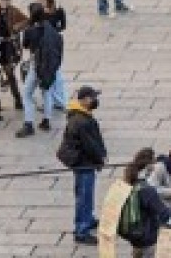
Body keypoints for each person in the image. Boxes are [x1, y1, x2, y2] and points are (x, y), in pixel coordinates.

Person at [59, 85, 106, 245]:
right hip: (84, 163)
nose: (95, 100)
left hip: (83, 161)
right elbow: (90, 145)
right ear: (85, 100)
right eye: (93, 97)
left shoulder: (80, 115)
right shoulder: (82, 121)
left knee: (86, 193)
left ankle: (89, 218)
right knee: (84, 196)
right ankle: (81, 230)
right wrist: (101, 158)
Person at [16, 3, 64, 138]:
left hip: (36, 65)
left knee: (27, 94)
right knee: (46, 92)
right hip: (49, 67)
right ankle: (46, 120)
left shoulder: (30, 31)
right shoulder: (50, 28)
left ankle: (28, 123)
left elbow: (25, 45)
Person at [119, 148, 171, 258]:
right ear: (149, 165)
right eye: (154, 163)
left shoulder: (128, 181)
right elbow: (164, 213)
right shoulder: (146, 189)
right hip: (146, 234)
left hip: (131, 231)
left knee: (137, 251)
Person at [38, 0, 69, 111]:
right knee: (45, 73)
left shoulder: (59, 11)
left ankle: (60, 100)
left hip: (54, 44)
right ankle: (49, 101)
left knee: (57, 73)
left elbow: (63, 25)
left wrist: (54, 32)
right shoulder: (39, 12)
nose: (39, 1)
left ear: (48, 0)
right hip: (43, 45)